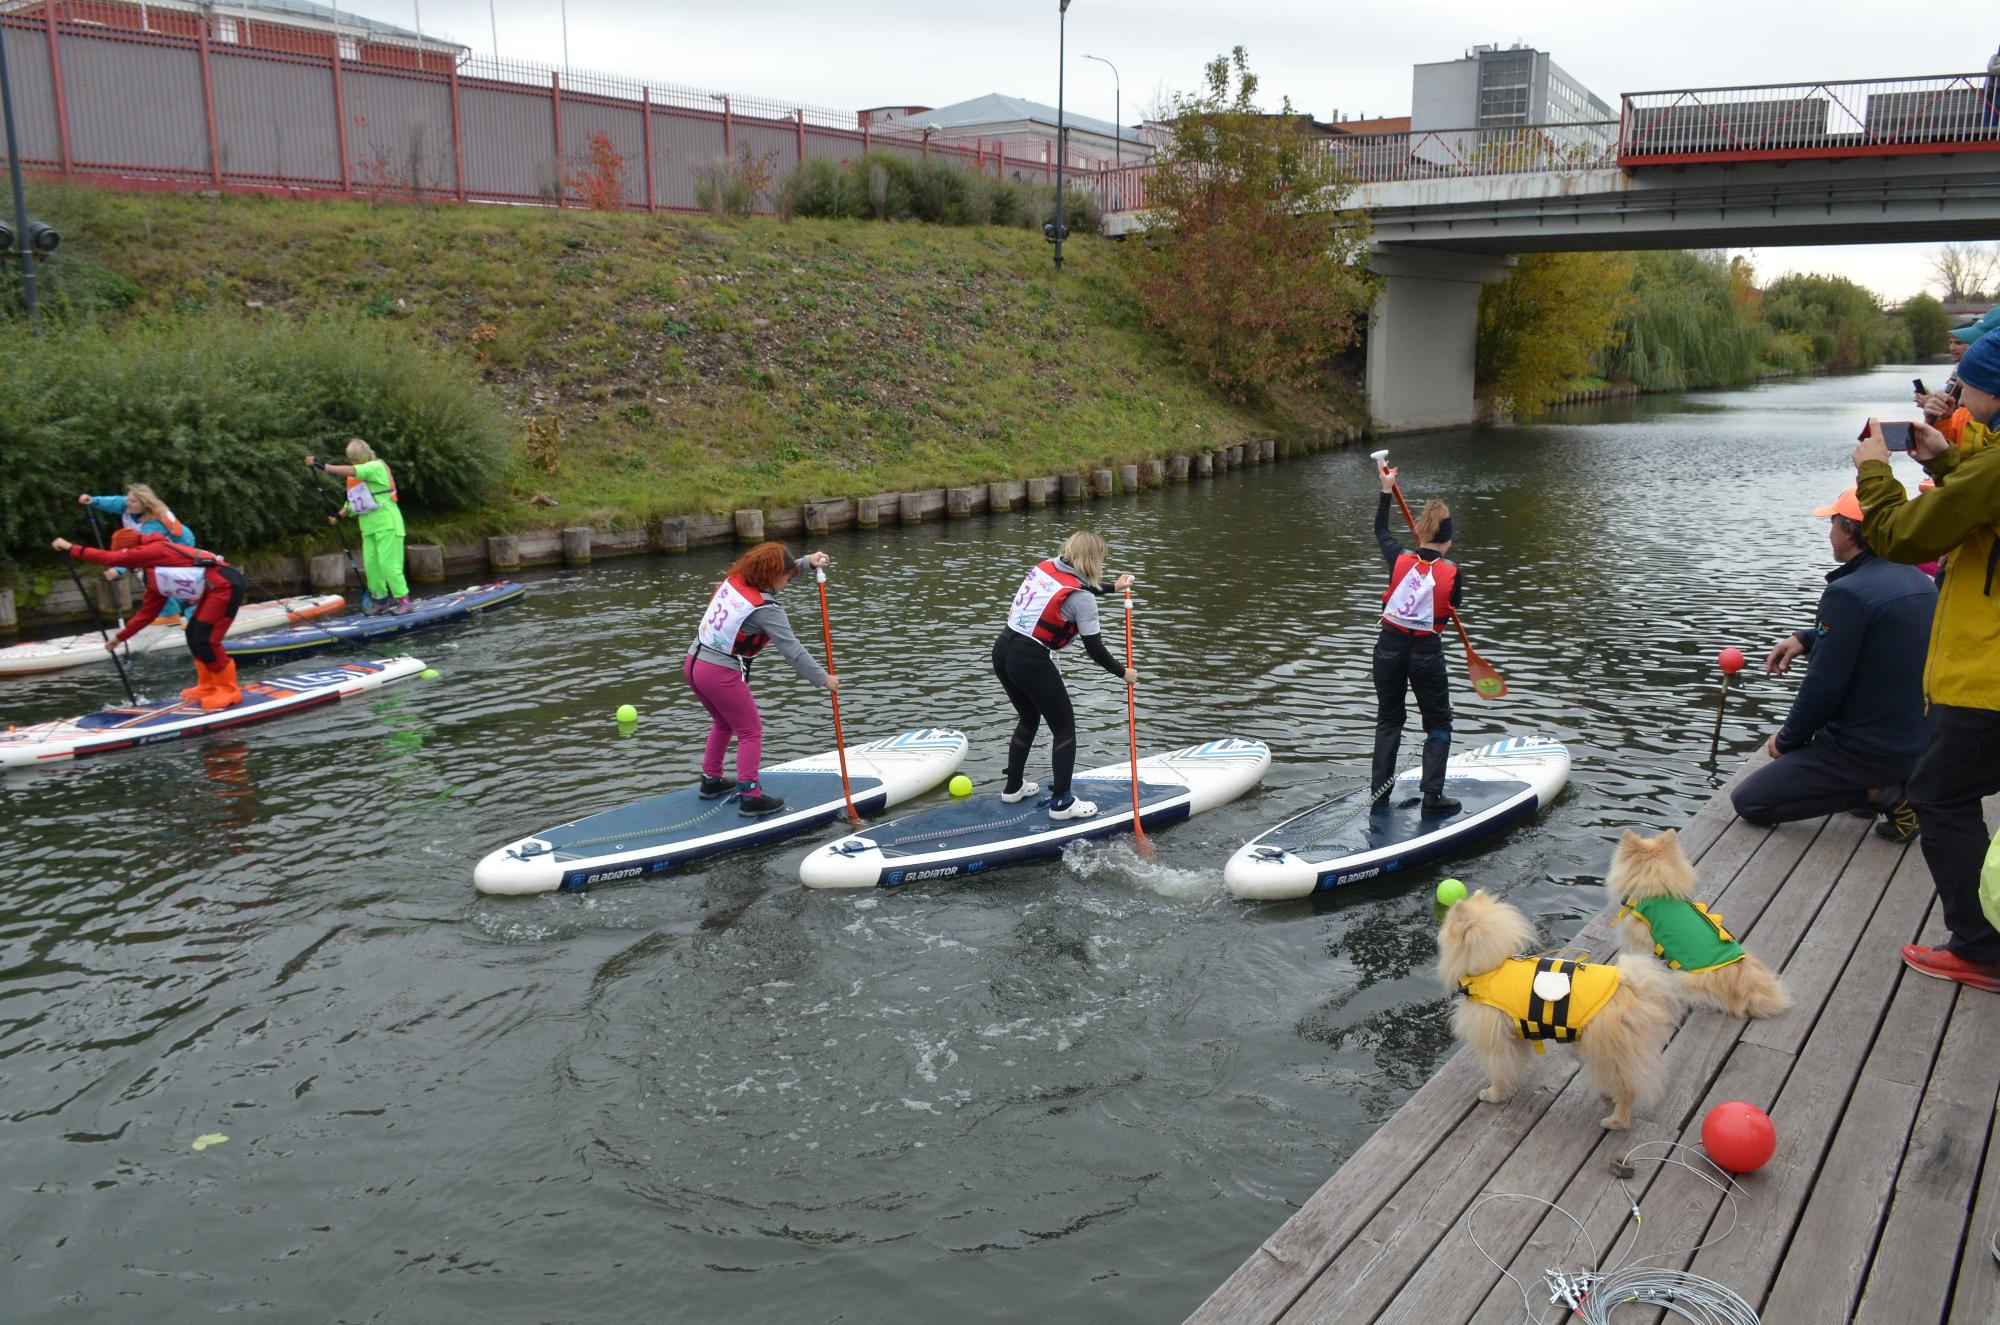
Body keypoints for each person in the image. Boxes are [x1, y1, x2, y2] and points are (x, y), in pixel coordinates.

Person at [1850, 326, 2000, 992]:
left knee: (1939, 794)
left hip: (1986, 671)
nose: (1955, 386)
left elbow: (1901, 537)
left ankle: (1980, 947)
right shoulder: (1990, 456)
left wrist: (1875, 473)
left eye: (1967, 373)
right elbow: (1979, 503)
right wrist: (1944, 460)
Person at [1729, 488, 1935, 839]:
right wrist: (1808, 638)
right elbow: (1880, 634)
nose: (1830, 535)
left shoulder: (1848, 592)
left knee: (1750, 802)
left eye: (1833, 525)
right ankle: (1882, 787)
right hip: (1918, 743)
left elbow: (1823, 686)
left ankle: (1885, 794)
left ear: (1850, 531)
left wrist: (1788, 740)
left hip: (1865, 750)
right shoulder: (1918, 580)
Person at [684, 542, 836, 817]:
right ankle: (750, 795)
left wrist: (807, 563)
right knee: (750, 732)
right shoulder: (767, 610)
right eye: (787, 577)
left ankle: (711, 780)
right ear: (770, 576)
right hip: (720, 674)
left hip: (694, 663)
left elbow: (780, 573)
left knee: (723, 723)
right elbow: (793, 651)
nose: (788, 582)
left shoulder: (736, 580)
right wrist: (823, 679)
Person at [994, 530, 1136, 821]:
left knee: (1029, 718)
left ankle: (1013, 787)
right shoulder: (1082, 599)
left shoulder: (1046, 567)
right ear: (1092, 560)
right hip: (1030, 659)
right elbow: (1094, 648)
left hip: (1003, 650)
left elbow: (1075, 586)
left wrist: (1113, 587)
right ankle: (1062, 802)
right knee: (1064, 728)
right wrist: (1124, 673)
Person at [51, 529, 247, 709]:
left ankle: (229, 690)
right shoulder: (154, 573)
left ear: (131, 549)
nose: (125, 564)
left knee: (206, 639)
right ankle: (208, 686)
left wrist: (70, 548)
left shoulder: (156, 549)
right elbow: (147, 613)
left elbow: (110, 558)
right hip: (214, 590)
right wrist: (120, 638)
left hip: (226, 586)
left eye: (125, 557)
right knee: (192, 634)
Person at [1373, 467, 1463, 817]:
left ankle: (1379, 795)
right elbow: (1453, 602)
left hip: (1388, 650)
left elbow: (1381, 529)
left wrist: (1386, 490)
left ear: (1420, 532)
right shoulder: (1454, 573)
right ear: (1448, 539)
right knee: (1438, 723)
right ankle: (1432, 797)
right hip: (1425, 654)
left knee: (1389, 720)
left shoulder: (1398, 559)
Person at [306, 441, 410, 616]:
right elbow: (354, 502)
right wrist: (339, 515)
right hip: (368, 528)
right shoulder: (356, 476)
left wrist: (324, 467)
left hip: (388, 524)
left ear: (362, 457)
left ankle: (403, 600)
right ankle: (381, 601)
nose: (353, 463)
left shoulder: (375, 466)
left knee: (388, 565)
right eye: (350, 459)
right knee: (371, 566)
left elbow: (355, 470)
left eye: (354, 459)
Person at [77, 483, 198, 620]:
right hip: (157, 546)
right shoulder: (130, 506)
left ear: (144, 503)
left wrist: (118, 570)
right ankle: (169, 614)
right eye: (128, 499)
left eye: (132, 501)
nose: (128, 503)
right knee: (151, 578)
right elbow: (114, 502)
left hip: (180, 546)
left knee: (168, 578)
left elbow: (141, 552)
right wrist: (93, 501)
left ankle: (193, 614)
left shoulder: (154, 522)